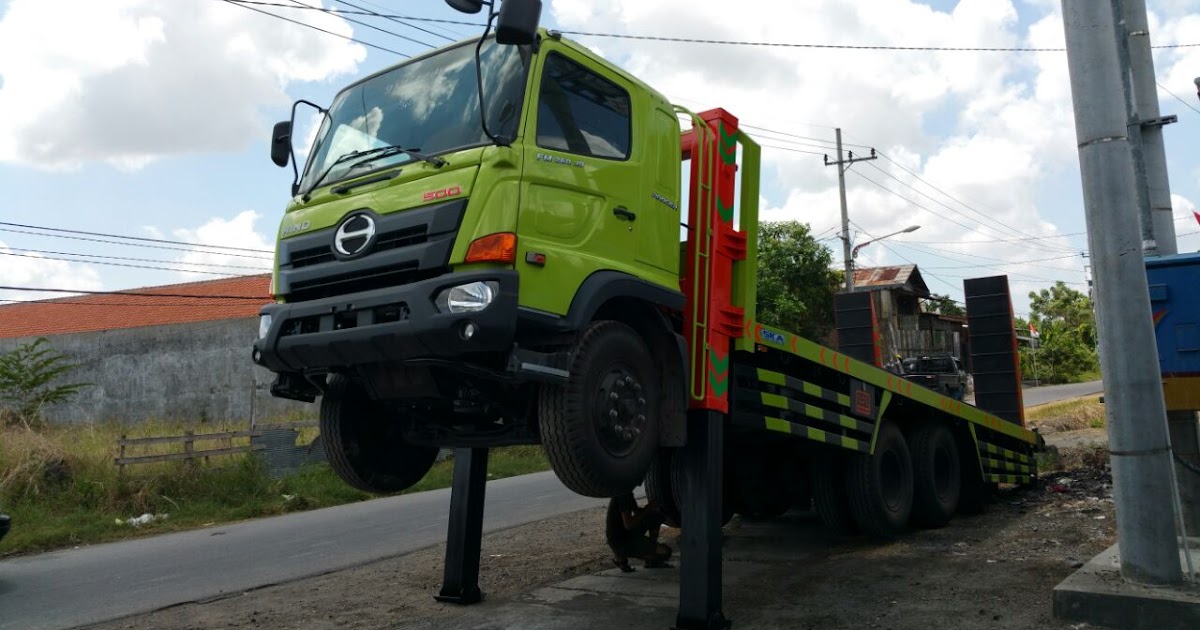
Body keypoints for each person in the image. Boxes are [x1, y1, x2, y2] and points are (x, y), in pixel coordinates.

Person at [605, 492, 672, 572]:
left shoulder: (626, 492)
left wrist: (652, 509)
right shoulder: (623, 495)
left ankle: (648, 551)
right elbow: (628, 524)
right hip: (622, 541)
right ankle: (624, 556)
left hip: (624, 535)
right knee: (665, 552)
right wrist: (648, 507)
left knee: (655, 516)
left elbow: (637, 512)